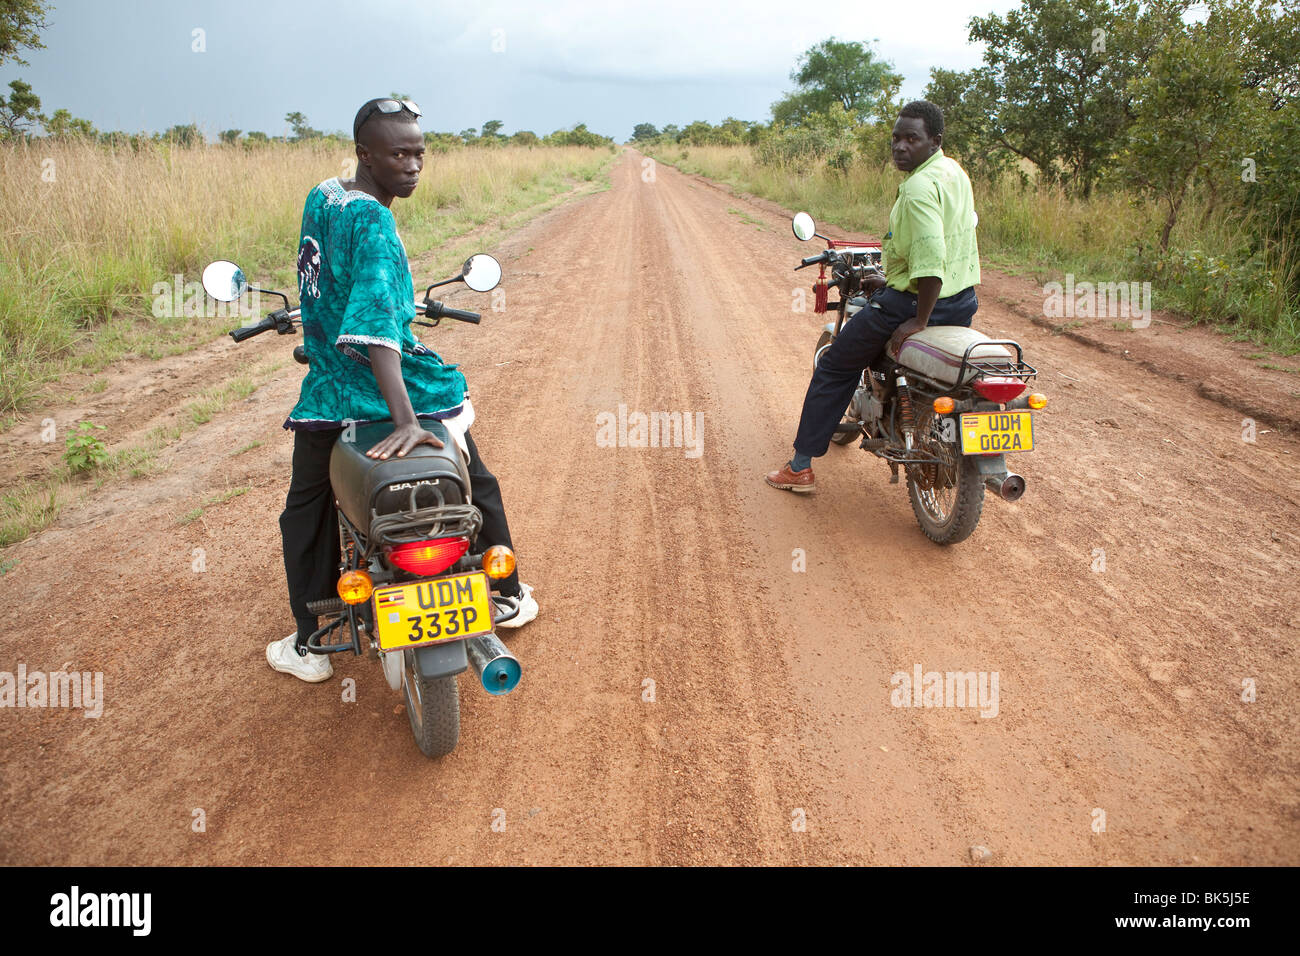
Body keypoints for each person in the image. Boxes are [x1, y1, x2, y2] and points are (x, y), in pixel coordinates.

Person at [266, 97, 537, 683]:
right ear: (366, 154)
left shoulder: (324, 196)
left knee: (306, 507)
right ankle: (508, 595)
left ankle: (312, 641)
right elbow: (376, 330)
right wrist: (408, 419)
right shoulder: (375, 221)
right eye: (399, 153)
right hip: (380, 383)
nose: (413, 165)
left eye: (419, 153)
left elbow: (319, 278)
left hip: (331, 387)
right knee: (472, 475)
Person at [765, 100, 981, 493]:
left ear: (934, 140)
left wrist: (916, 318)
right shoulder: (954, 173)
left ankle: (800, 466)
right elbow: (944, 246)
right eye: (896, 138)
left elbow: (931, 265)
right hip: (962, 299)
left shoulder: (917, 188)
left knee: (835, 366)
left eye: (911, 139)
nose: (900, 147)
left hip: (920, 303)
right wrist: (891, 280)